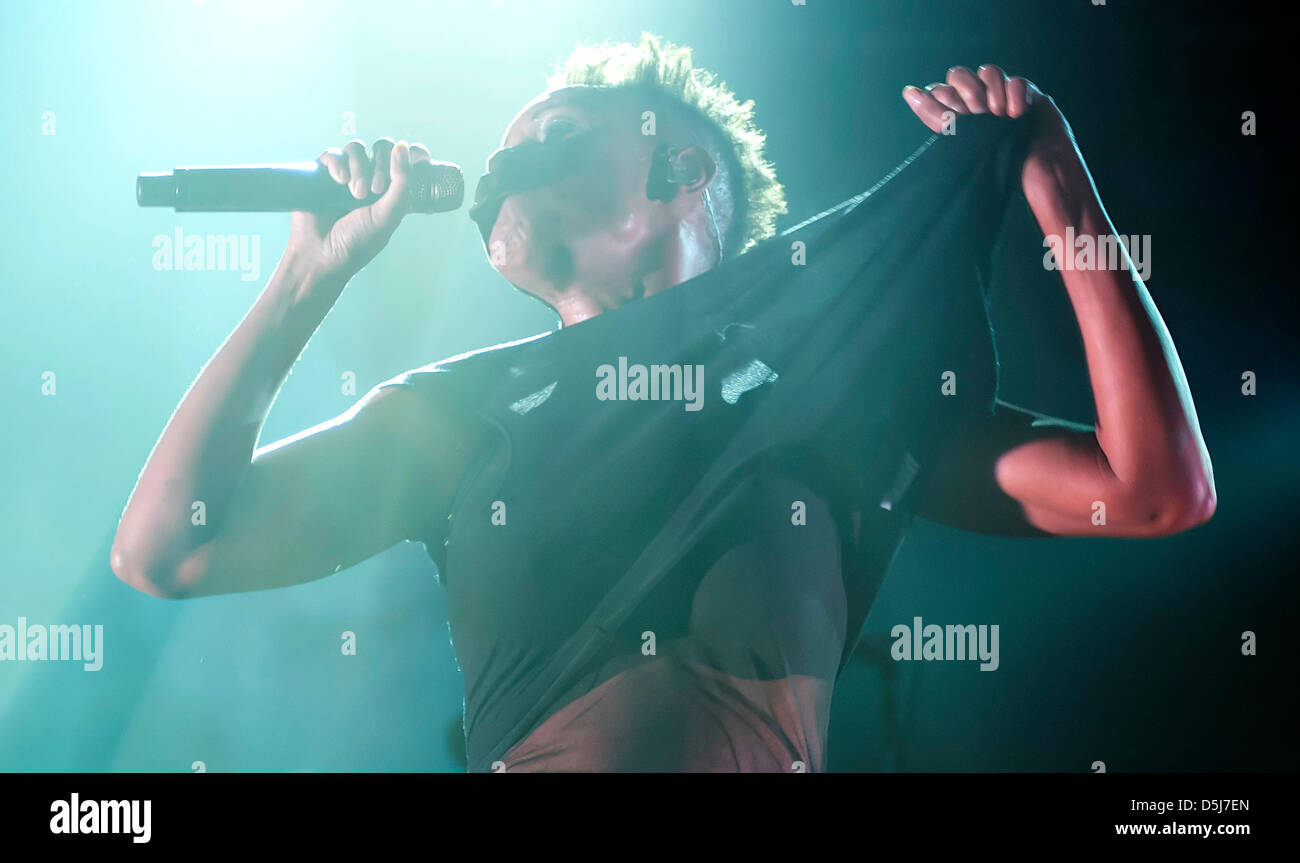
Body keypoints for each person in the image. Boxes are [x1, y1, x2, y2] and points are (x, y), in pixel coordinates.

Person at [110, 34, 1215, 772]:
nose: (504, 167)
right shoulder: (459, 411)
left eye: (552, 140)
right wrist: (309, 277)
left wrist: (1051, 173)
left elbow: (1154, 489)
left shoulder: (835, 388)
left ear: (679, 173)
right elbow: (166, 548)